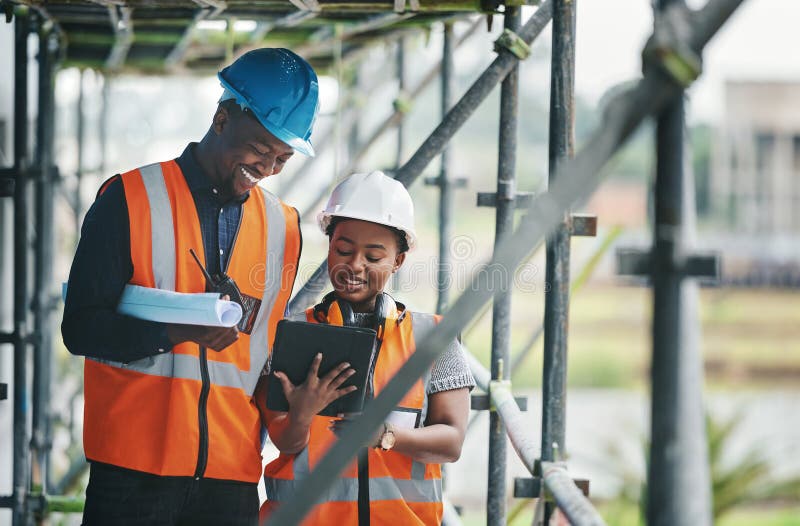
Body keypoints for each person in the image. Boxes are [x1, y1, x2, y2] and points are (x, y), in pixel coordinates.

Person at [61, 48, 319, 526]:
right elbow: (81, 329)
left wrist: (295, 405)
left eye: (282, 157)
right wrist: (176, 329)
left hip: (230, 479)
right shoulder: (129, 199)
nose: (267, 167)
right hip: (132, 475)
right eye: (261, 149)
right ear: (222, 118)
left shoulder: (285, 228)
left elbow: (263, 354)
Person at [257, 171, 476, 525]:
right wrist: (301, 412)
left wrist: (386, 436)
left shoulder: (434, 338)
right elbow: (285, 442)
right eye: (343, 250)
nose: (354, 265)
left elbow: (451, 443)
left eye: (373, 257)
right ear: (329, 247)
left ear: (398, 261)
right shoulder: (290, 334)